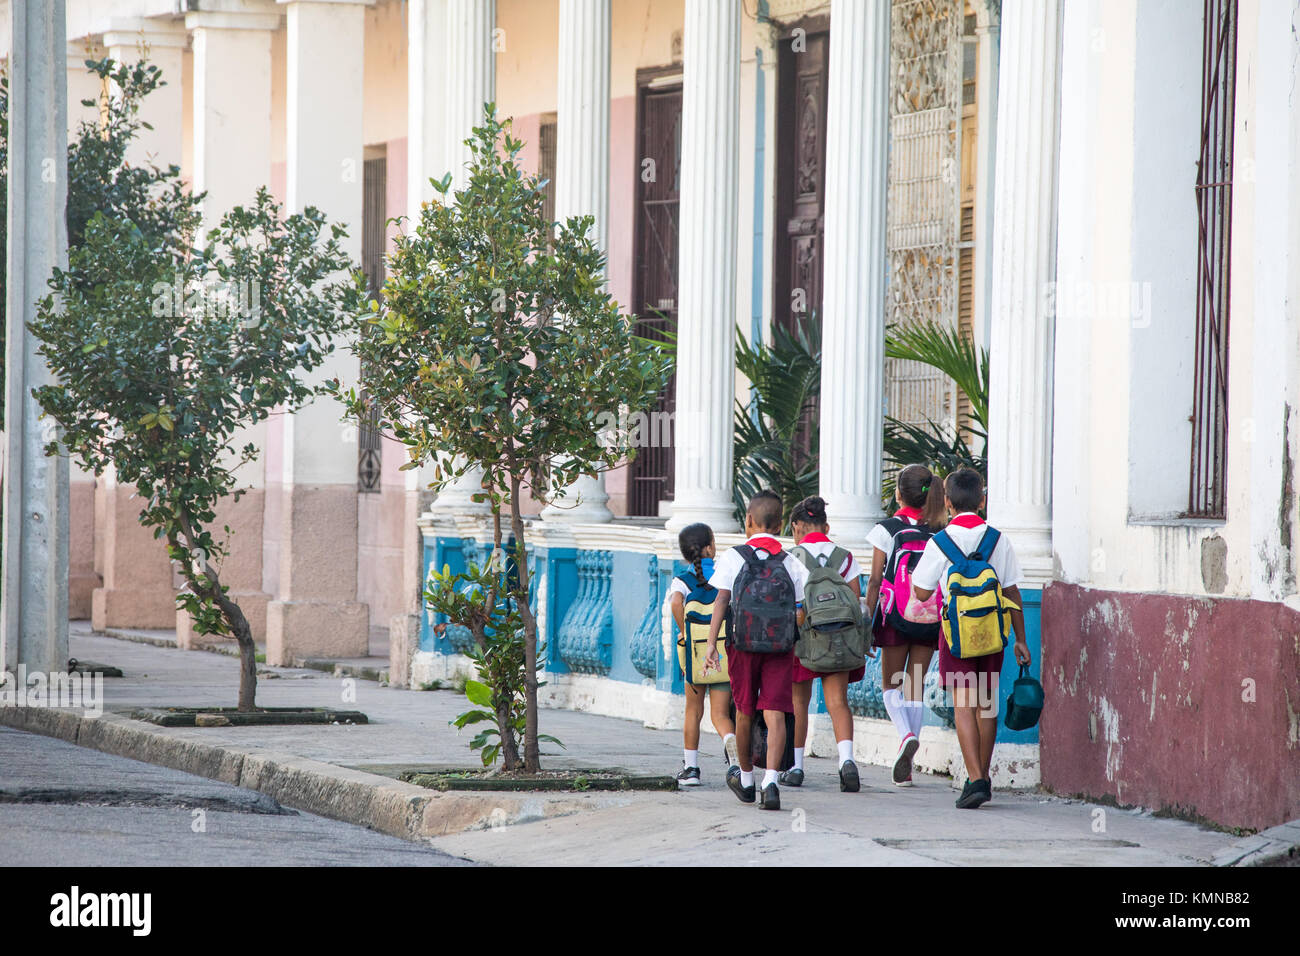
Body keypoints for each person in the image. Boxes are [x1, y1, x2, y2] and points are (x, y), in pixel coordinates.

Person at [911, 467, 1031, 809]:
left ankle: (975, 778)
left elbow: (920, 592)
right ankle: (983, 775)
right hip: (993, 631)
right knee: (987, 703)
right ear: (982, 499)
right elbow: (1011, 591)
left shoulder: (940, 542)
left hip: (957, 634)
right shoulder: (998, 538)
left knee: (964, 704)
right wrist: (1020, 639)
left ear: (947, 502)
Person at [704, 490, 809, 811]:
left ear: (749, 521)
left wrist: (710, 644)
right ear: (780, 524)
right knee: (776, 712)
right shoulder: (791, 561)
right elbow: (801, 610)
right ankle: (772, 781)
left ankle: (747, 780)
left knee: (745, 710)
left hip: (742, 644)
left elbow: (721, 600)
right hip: (779, 646)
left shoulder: (734, 557)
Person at [864, 463, 946, 786]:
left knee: (890, 688)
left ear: (899, 494)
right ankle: (907, 768)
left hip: (894, 616)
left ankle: (905, 736)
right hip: (928, 619)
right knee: (914, 688)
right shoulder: (939, 533)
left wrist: (867, 626)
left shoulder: (887, 529)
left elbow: (873, 580)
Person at [783, 495, 866, 793]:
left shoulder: (791, 556)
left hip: (805, 640)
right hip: (840, 639)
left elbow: (790, 604)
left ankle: (796, 767)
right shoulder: (845, 556)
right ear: (825, 526)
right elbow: (857, 604)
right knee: (838, 702)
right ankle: (846, 761)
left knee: (799, 703)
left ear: (797, 526)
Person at [666, 522, 739, 785]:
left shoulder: (681, 579)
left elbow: (676, 602)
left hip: (695, 655)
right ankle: (733, 751)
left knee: (693, 710)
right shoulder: (723, 573)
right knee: (720, 713)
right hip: (721, 652)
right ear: (710, 548)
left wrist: (683, 631)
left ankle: (692, 769)